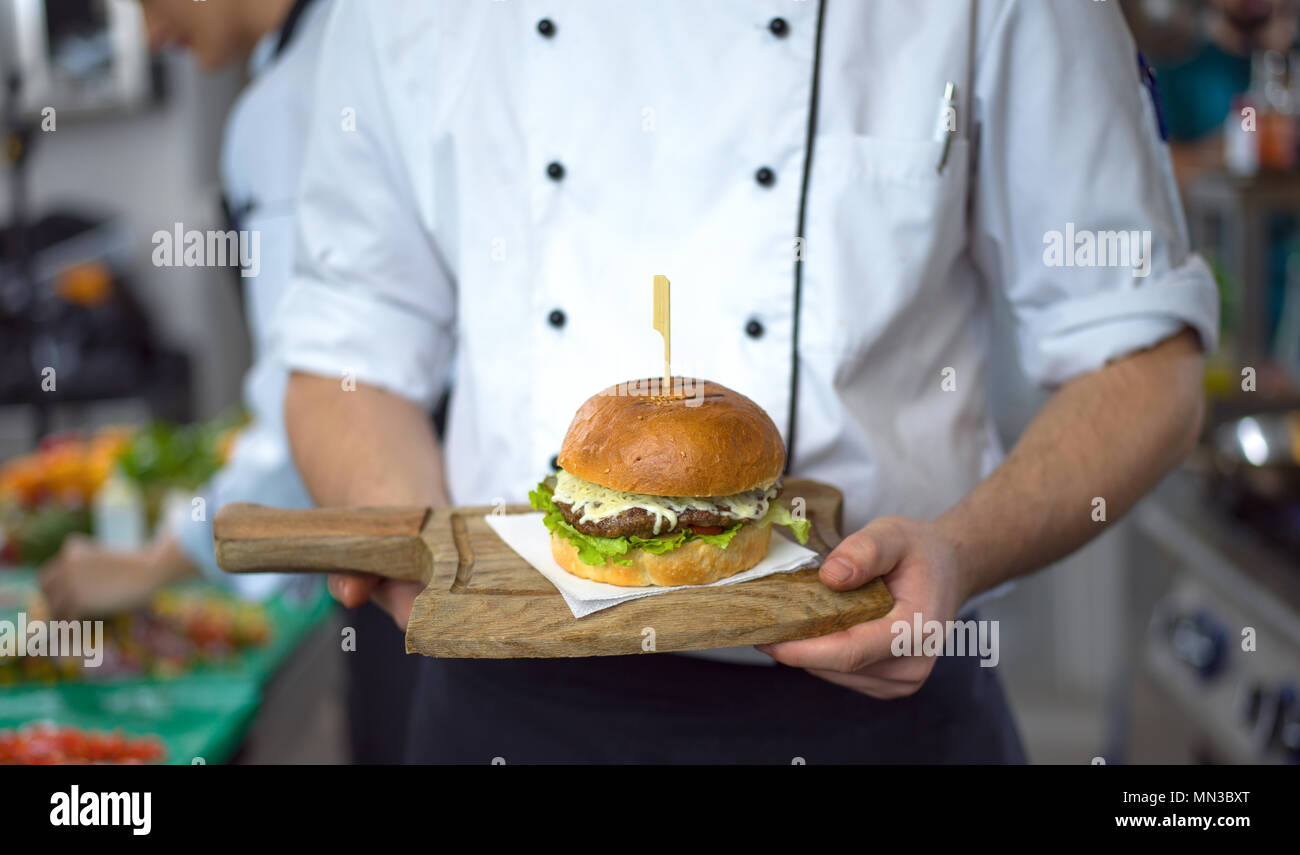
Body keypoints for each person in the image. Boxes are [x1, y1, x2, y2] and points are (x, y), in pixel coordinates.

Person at [275, 0, 1217, 763]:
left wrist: (961, 551)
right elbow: (346, 352)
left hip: (878, 702)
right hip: (506, 700)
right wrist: (421, 558)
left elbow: (1143, 357)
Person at [39, 0, 326, 617]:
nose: (146, 34)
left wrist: (153, 565)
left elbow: (312, 403)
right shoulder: (325, 58)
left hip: (415, 563)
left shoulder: (291, 105)